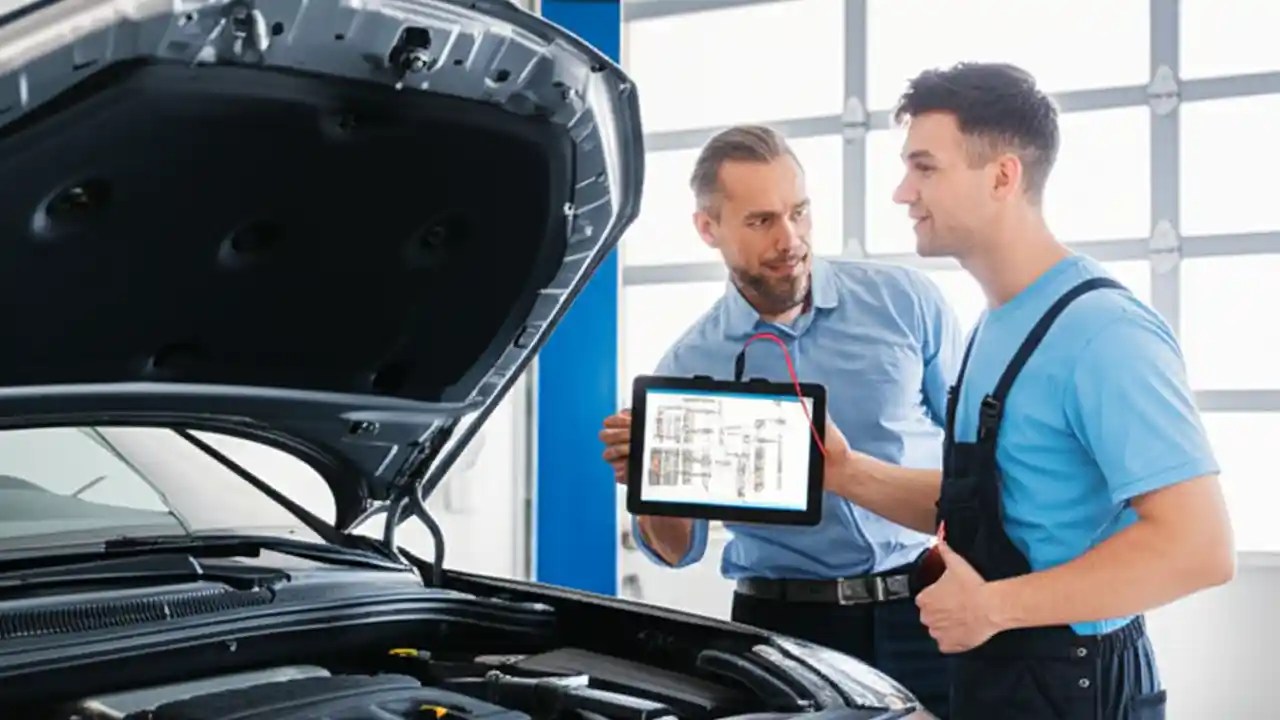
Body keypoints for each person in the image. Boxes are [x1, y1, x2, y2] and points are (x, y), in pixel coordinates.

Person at [819, 62, 1236, 719]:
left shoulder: (1103, 333)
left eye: (925, 167)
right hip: (1002, 677)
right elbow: (999, 503)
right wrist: (846, 475)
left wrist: (991, 607)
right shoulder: (993, 324)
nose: (903, 192)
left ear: (1003, 176)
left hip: (1081, 687)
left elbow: (1199, 547)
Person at [599, 124, 962, 717]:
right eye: (761, 220)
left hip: (924, 605)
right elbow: (674, 551)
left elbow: (975, 445)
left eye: (798, 212)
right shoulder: (689, 365)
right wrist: (650, 479)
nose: (789, 238)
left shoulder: (906, 302)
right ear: (707, 228)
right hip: (785, 629)